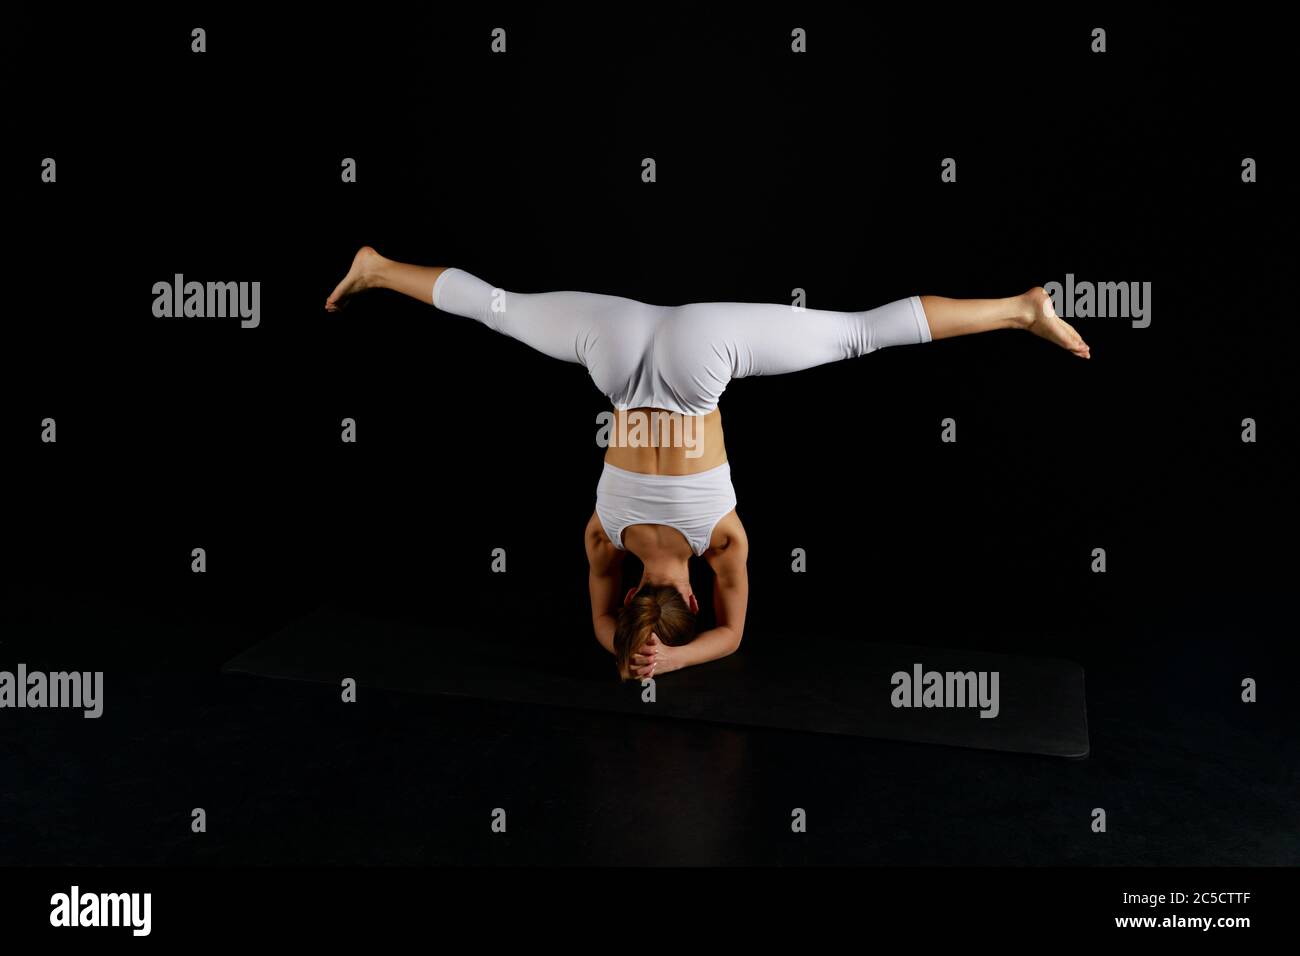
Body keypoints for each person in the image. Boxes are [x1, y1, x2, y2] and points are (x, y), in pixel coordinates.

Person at [326, 246, 1089, 681]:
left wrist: (671, 663)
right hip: (617, 356)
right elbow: (599, 621)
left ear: (689, 595)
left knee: (858, 334)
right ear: (630, 593)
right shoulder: (604, 540)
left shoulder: (723, 545)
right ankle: (379, 266)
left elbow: (733, 636)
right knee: (497, 307)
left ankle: (1021, 309)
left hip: (699, 369)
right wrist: (630, 654)